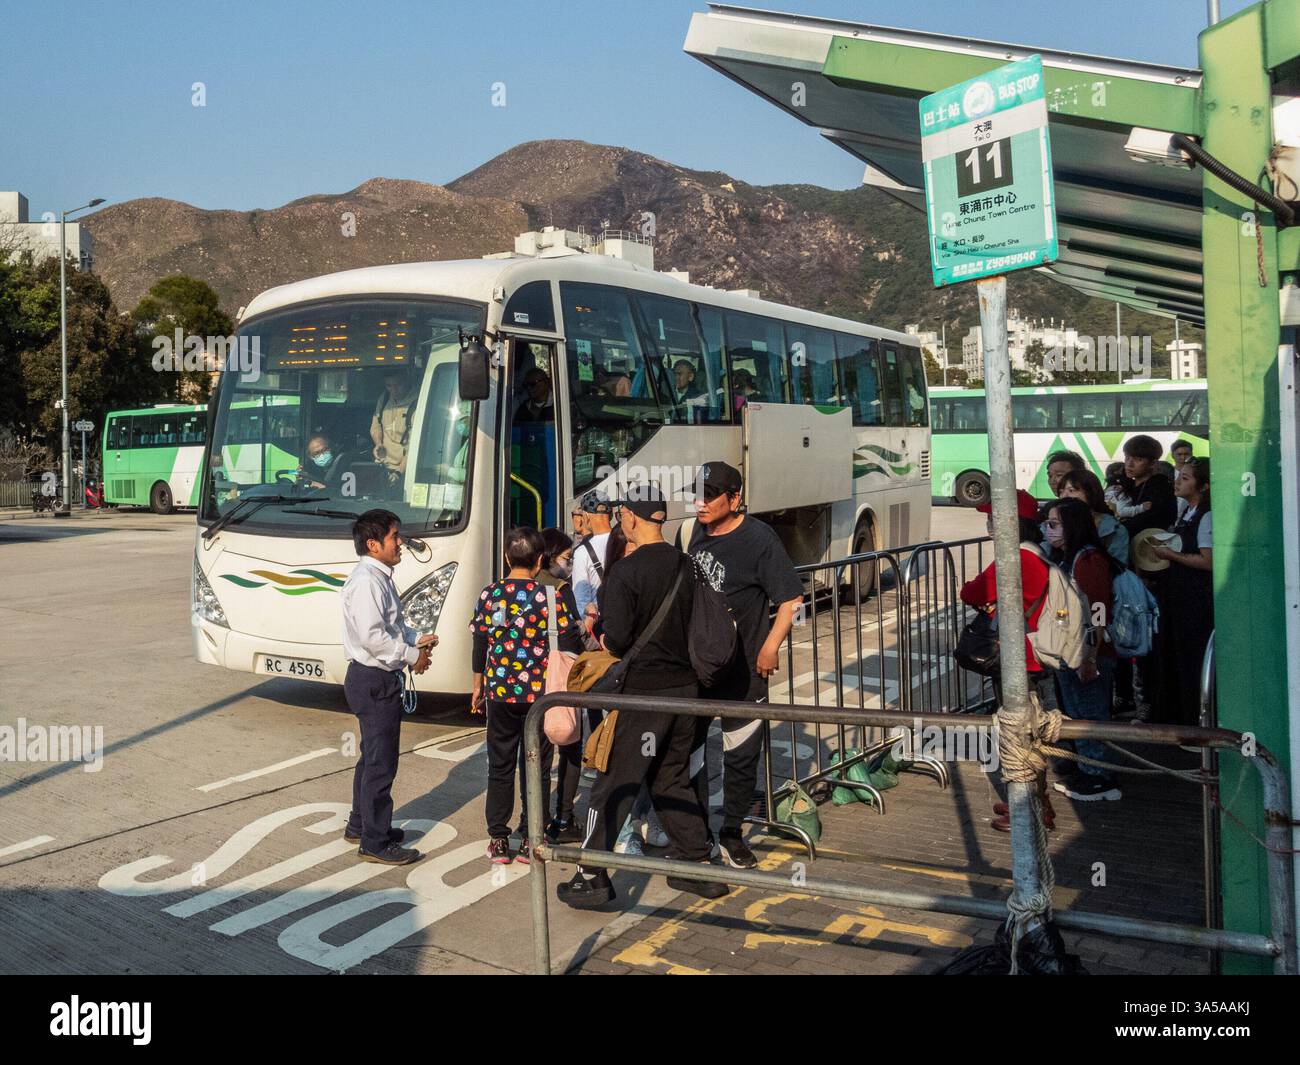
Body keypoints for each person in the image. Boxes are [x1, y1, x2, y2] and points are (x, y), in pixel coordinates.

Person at [557, 485, 728, 908]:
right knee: (670, 777)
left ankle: (591, 874)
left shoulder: (626, 573)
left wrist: (602, 627)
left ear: (631, 518)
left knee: (613, 781)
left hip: (643, 695)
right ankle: (698, 865)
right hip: (687, 691)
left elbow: (617, 638)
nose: (620, 524)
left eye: (622, 517)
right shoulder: (687, 565)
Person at [688, 461, 804, 869]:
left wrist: (770, 647)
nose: (699, 503)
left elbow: (790, 600)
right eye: (696, 493)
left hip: (744, 670)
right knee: (692, 753)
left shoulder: (759, 539)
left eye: (709, 495)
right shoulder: (696, 533)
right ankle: (694, 831)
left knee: (740, 757)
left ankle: (732, 832)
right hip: (700, 669)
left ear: (734, 499)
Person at [958, 488, 1059, 832]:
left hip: (1019, 660)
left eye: (994, 517)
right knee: (1029, 734)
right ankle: (1030, 802)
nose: (988, 523)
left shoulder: (1016, 559)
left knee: (1021, 737)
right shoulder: (1037, 553)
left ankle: (1031, 810)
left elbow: (972, 592)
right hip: (1033, 656)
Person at [340, 509, 436, 865]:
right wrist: (413, 656)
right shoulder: (367, 581)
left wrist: (415, 639)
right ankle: (375, 841)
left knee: (372, 757)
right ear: (373, 543)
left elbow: (392, 626)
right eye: (395, 537)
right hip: (373, 679)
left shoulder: (379, 576)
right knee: (381, 763)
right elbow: (374, 638)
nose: (401, 544)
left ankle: (361, 824)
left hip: (374, 678)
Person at [470, 527, 569, 864]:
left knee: (499, 765)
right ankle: (530, 837)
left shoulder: (491, 595)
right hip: (539, 696)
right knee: (537, 767)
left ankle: (499, 838)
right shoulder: (552, 597)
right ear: (540, 560)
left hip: (499, 691)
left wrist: (477, 683)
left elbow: (481, 640)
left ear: (506, 557)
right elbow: (568, 640)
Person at [1043, 498, 1122, 802]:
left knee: (1090, 713)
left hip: (1087, 652)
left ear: (1072, 525)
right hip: (1070, 649)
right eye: (1047, 524)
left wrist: (1090, 655)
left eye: (1054, 524)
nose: (1048, 530)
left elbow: (1098, 608)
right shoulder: (1069, 557)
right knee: (1077, 711)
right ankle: (1089, 771)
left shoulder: (1088, 560)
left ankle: (1100, 778)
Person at [1150, 458, 1214, 726]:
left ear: (1204, 486)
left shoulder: (1206, 515)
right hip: (1178, 595)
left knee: (1193, 659)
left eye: (1186, 478)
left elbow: (1208, 561)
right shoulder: (1186, 511)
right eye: (1179, 476)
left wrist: (1172, 555)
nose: (1177, 482)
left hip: (1195, 598)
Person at [537, 528, 589, 844]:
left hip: (530, 679)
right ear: (548, 557)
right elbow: (572, 635)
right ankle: (564, 817)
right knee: (570, 745)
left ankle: (535, 818)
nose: (568, 565)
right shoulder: (559, 589)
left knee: (537, 752)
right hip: (560, 676)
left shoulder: (521, 587)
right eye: (566, 558)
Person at [1057, 468, 1129, 567]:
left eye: (1071, 490)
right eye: (1061, 491)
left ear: (1091, 493)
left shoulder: (1114, 530)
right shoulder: (1051, 525)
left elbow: (1118, 569)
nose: (1064, 496)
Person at [1119, 435, 1176, 537]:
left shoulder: (1160, 488)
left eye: (1138, 459)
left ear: (1152, 463)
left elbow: (1148, 520)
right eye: (1127, 458)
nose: (1129, 464)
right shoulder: (1126, 485)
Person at [371, 368, 419, 481]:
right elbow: (375, 426)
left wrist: (399, 472)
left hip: (404, 470)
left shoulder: (417, 403)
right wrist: (378, 444)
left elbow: (415, 445)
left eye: (398, 385)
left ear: (407, 381)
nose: (394, 390)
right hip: (382, 466)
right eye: (389, 386)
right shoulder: (384, 399)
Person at [571, 490, 613, 622]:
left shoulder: (582, 552)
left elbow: (581, 600)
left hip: (601, 623)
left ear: (587, 516)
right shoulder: (626, 541)